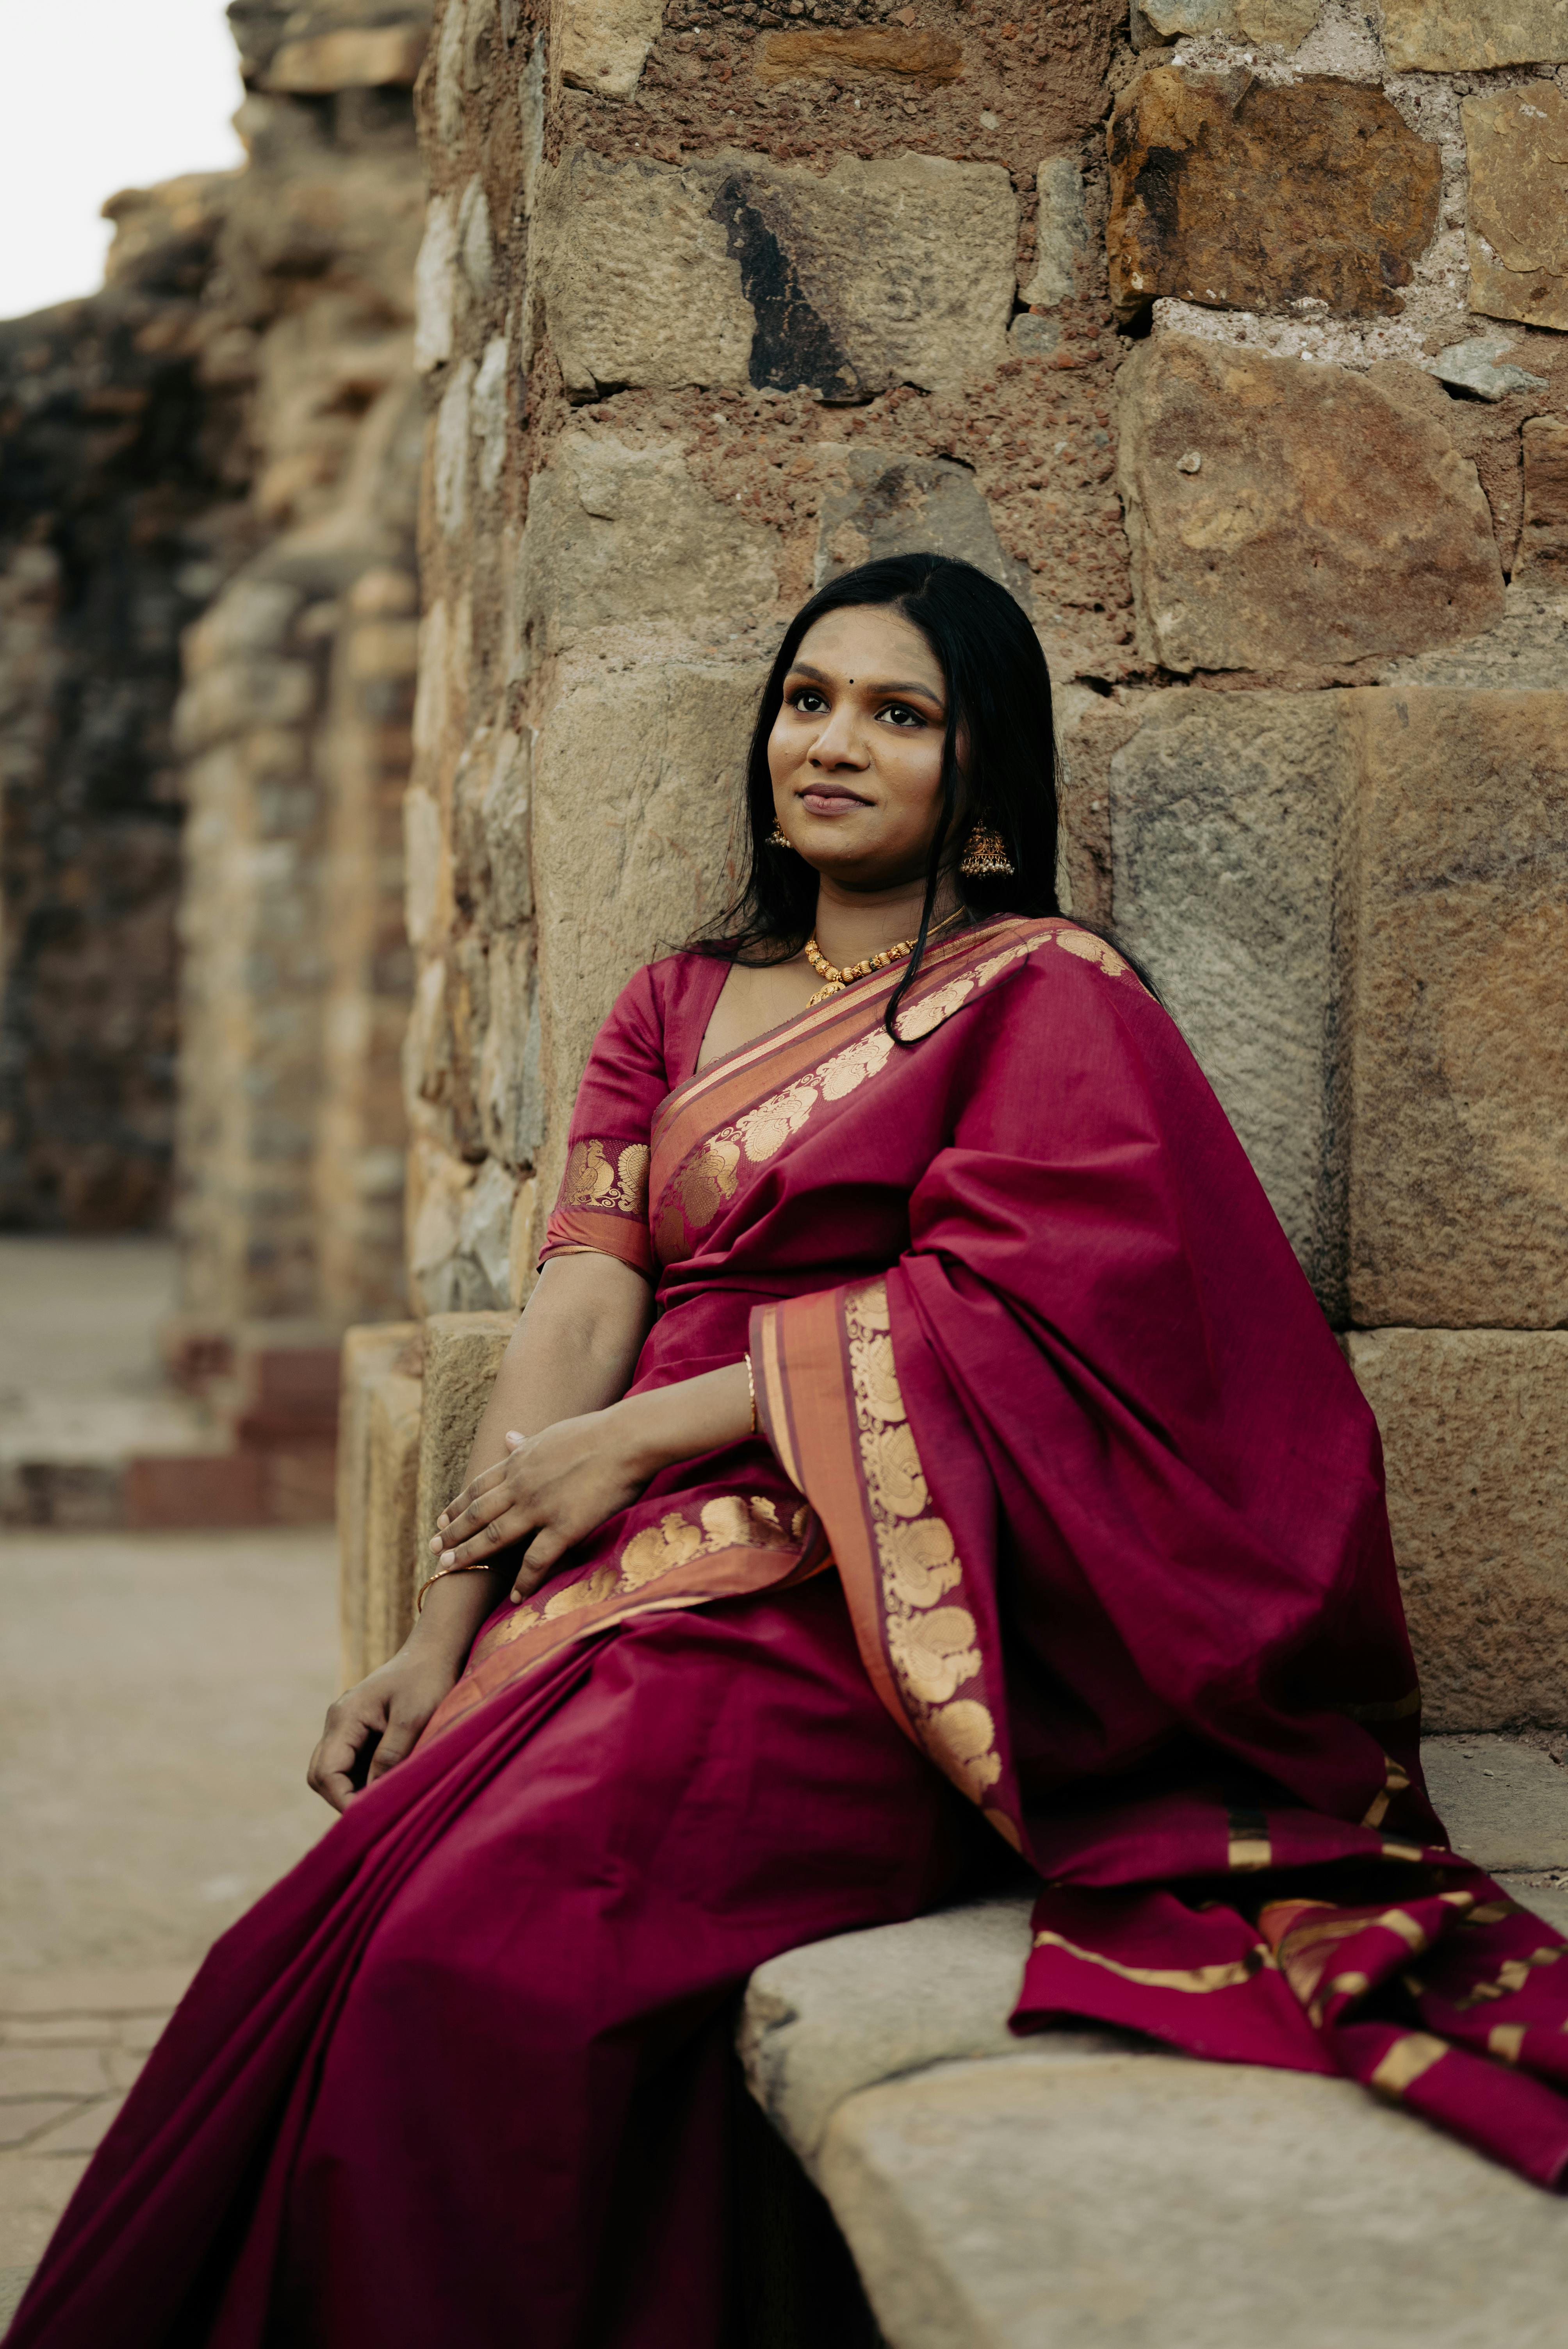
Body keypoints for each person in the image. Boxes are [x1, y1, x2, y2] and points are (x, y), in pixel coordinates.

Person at [12, 553, 1568, 2349]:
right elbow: (580, 1308)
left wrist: (654, 1434)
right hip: (627, 1574)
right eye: (807, 698)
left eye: (898, 714)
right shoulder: (668, 1007)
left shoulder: (1040, 996)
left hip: (890, 1596)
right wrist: (438, 1626)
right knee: (305, 1954)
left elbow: (1050, 1314)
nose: (831, 742)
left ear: (979, 774)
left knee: (480, 1961)